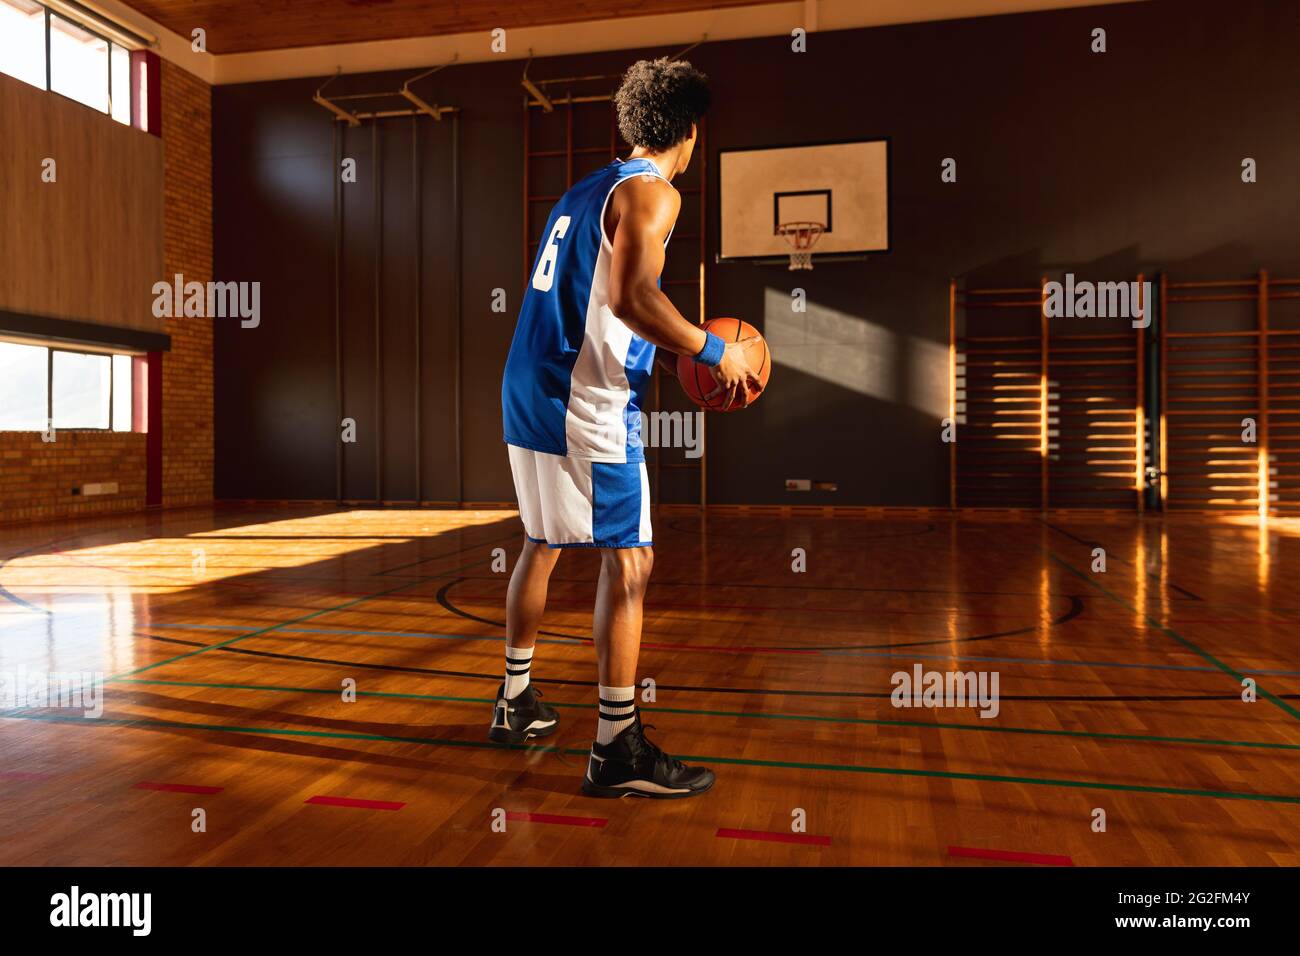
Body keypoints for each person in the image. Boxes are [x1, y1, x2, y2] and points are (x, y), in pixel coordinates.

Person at [494, 58, 758, 798]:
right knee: (630, 563)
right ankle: (617, 746)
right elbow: (634, 297)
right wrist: (714, 349)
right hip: (586, 401)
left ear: (628, 123)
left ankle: (514, 703)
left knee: (542, 543)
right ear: (691, 133)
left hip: (528, 385)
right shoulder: (653, 194)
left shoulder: (585, 190)